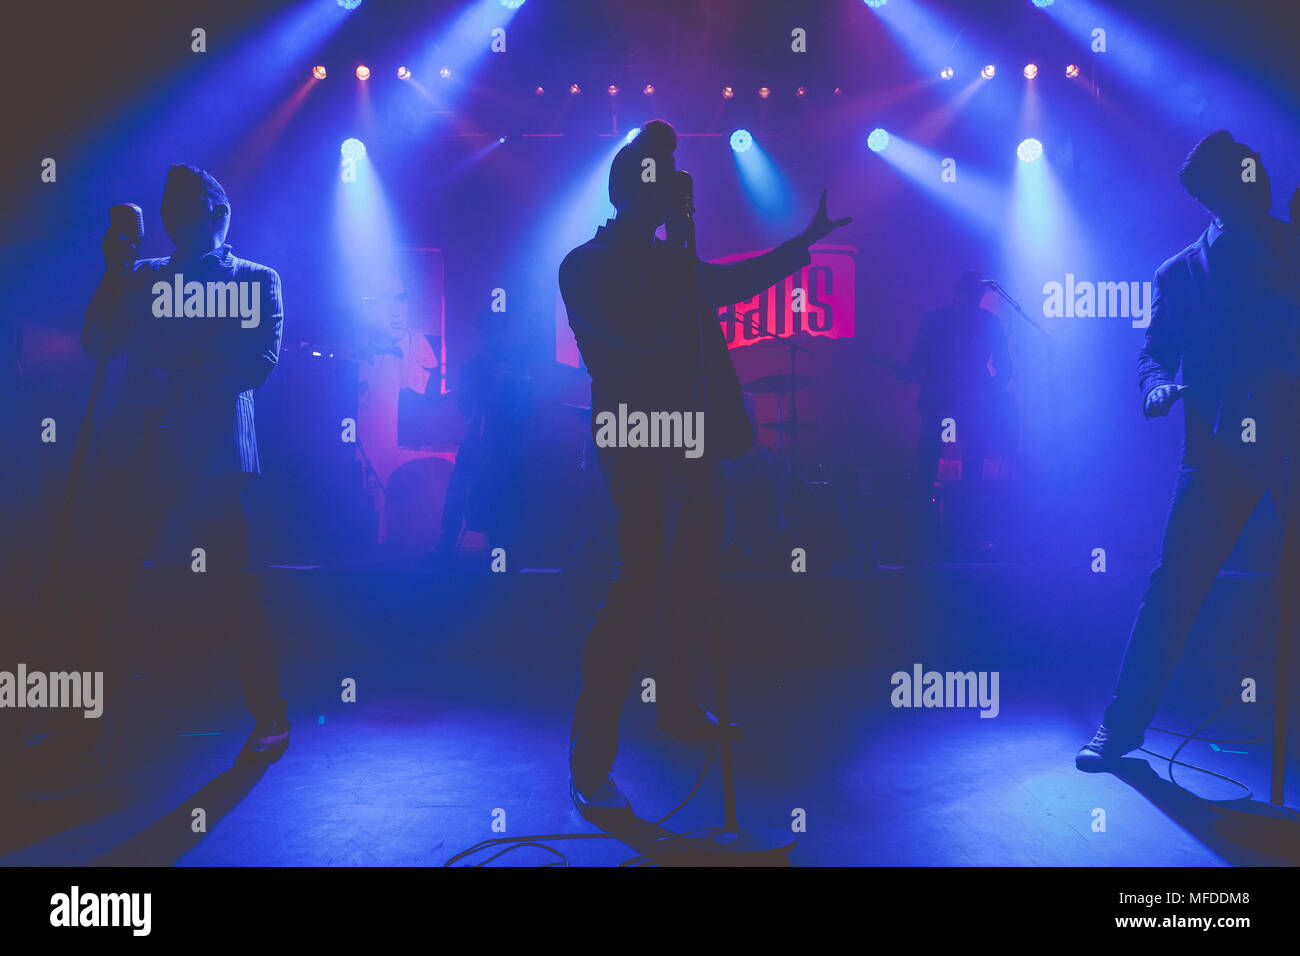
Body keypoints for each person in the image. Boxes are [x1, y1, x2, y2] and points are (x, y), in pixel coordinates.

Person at [559, 119, 851, 822]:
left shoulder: (674, 266)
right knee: (637, 588)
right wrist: (681, 279)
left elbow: (736, 283)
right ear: (630, 194)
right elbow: (624, 344)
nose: (669, 204)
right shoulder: (585, 265)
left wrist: (801, 247)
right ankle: (590, 761)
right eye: (656, 190)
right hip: (636, 438)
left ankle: (678, 704)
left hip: (693, 439)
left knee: (692, 578)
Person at [1078, 131, 1300, 770]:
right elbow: (1153, 350)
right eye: (1240, 174)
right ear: (1214, 194)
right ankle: (1120, 731)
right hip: (1217, 448)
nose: (1254, 179)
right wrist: (1153, 388)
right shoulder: (1178, 272)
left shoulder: (1292, 246)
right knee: (1173, 588)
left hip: (1289, 436)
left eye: (1253, 169)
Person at [80, 163, 289, 767]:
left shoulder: (254, 279)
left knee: (235, 584)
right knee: (105, 584)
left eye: (187, 204)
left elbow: (258, 362)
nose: (174, 214)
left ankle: (271, 715)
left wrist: (174, 382)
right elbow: (99, 344)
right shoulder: (140, 278)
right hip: (137, 451)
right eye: (168, 204)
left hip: (211, 458)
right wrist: (112, 275)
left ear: (219, 214)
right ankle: (90, 721)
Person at [903, 271, 1013, 491]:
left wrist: (984, 394)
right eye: (972, 294)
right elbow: (1005, 369)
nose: (974, 300)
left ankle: (931, 510)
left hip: (954, 406)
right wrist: (984, 394)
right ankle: (952, 511)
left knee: (947, 457)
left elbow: (917, 364)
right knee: (946, 457)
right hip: (951, 406)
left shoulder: (937, 320)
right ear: (960, 294)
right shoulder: (985, 322)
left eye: (977, 295)